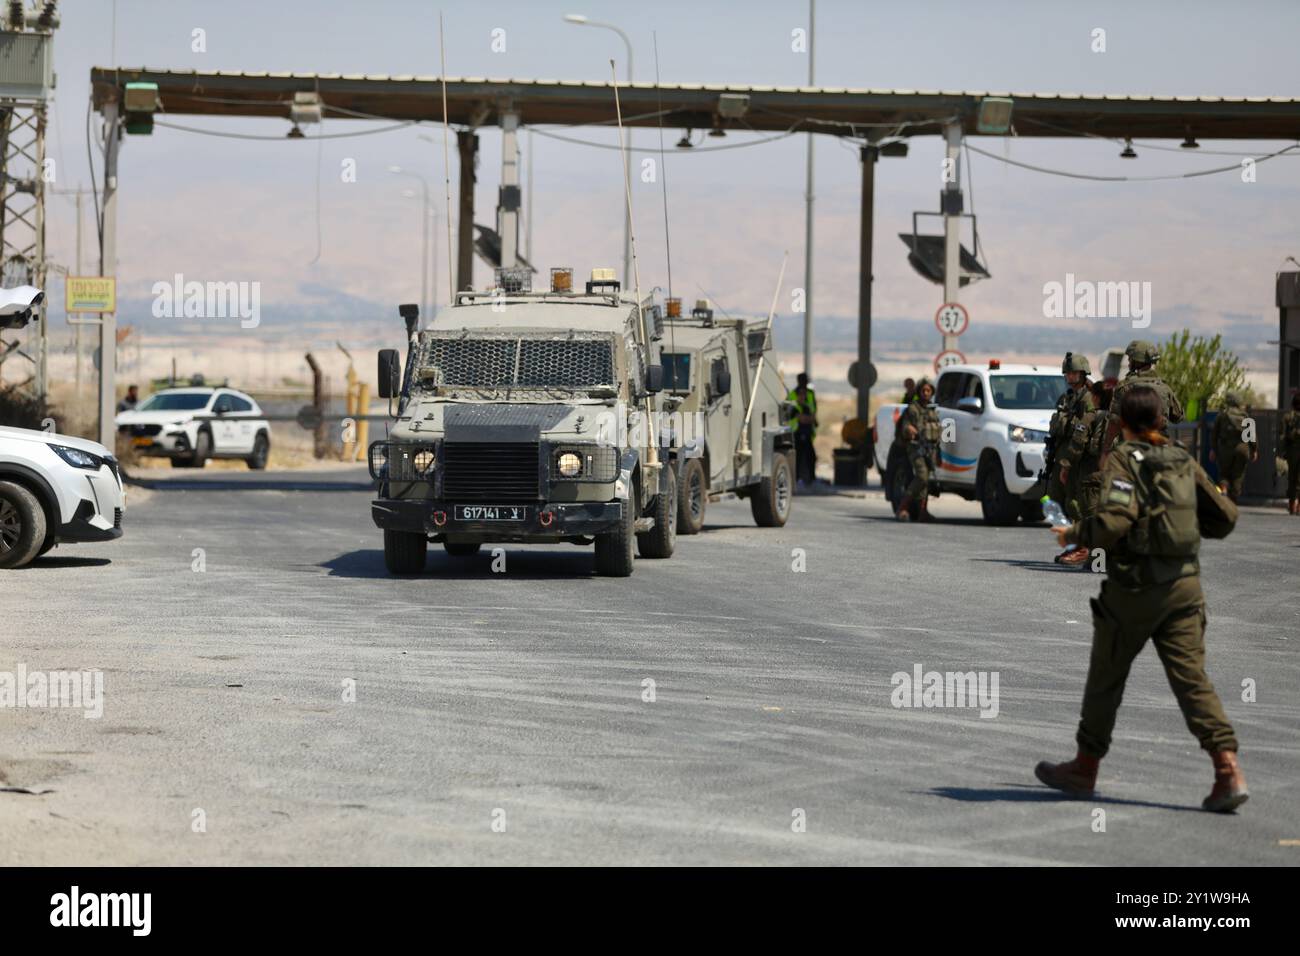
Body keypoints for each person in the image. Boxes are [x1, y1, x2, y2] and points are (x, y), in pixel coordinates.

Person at [1036, 385, 1247, 813]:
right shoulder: (1182, 460)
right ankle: (1228, 772)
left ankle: (1084, 767)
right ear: (1161, 420)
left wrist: (1074, 533)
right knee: (1192, 682)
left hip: (1134, 591)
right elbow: (1224, 518)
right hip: (1185, 590)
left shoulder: (1124, 458)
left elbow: (1114, 520)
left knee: (1105, 679)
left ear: (1124, 423)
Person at [1056, 379, 1110, 567]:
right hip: (1112, 475)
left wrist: (1066, 466)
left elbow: (1077, 444)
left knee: (1091, 518)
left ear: (1095, 397)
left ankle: (1096, 562)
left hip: (1090, 475)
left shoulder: (1090, 417)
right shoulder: (1117, 420)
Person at [1101, 339, 1183, 461]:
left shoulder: (1124, 387)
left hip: (1132, 451)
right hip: (1159, 451)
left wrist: (1106, 450)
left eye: (1130, 359)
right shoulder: (1164, 387)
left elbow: (1114, 422)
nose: (1128, 363)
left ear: (1137, 361)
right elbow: (1178, 417)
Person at [896, 377, 940, 522]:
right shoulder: (912, 409)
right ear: (919, 392)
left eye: (929, 390)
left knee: (926, 481)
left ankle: (922, 512)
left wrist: (938, 454)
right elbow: (905, 427)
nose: (926, 393)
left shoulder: (933, 411)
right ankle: (903, 507)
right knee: (921, 476)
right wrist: (909, 429)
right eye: (923, 390)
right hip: (916, 448)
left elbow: (939, 433)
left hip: (930, 450)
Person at [1209, 391, 1257, 502]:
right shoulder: (1245, 415)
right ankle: (1234, 498)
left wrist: (1213, 450)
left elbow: (1215, 434)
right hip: (1242, 448)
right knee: (1238, 475)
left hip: (1226, 448)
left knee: (1224, 473)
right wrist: (1254, 450)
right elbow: (1252, 435)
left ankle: (1224, 490)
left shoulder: (1222, 415)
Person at [787, 372, 818, 486]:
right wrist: (806, 418)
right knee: (798, 456)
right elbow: (797, 416)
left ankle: (811, 478)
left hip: (808, 431)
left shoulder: (810, 394)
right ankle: (797, 478)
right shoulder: (792, 395)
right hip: (796, 432)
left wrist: (809, 418)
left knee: (811, 456)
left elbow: (813, 413)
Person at [1280, 391, 1300, 515]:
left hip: (1292, 450)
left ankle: (1292, 504)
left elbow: (1282, 437)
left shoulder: (1287, 417)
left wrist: (1282, 452)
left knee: (1292, 478)